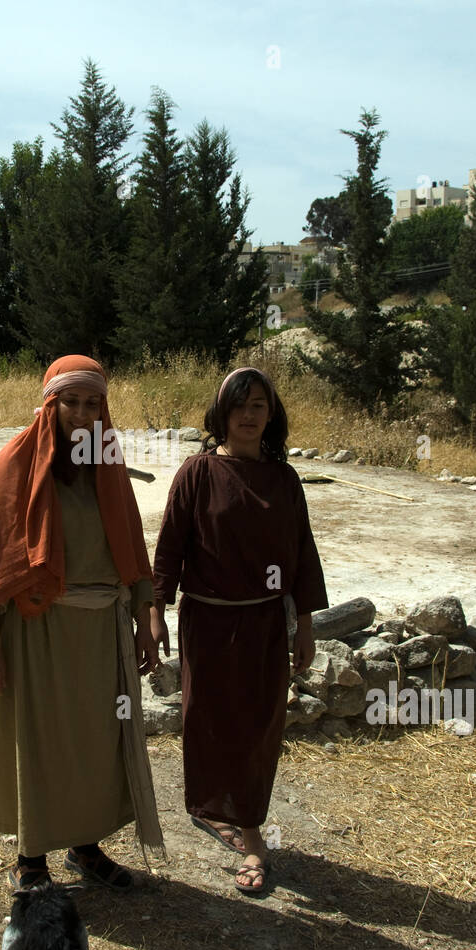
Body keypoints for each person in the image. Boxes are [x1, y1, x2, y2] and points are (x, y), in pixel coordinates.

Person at [0, 353, 164, 891]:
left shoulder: (109, 465)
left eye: (93, 403)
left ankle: (85, 847)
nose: (81, 413)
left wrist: (146, 617)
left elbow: (130, 548)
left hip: (98, 634)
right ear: (50, 403)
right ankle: (30, 860)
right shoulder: (15, 464)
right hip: (36, 632)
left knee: (94, 745)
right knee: (38, 745)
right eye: (70, 401)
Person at [150, 365, 328, 896]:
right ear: (220, 413)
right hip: (206, 621)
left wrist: (305, 625)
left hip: (266, 624)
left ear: (271, 415)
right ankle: (215, 809)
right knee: (207, 721)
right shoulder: (197, 472)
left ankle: (253, 837)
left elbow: (303, 557)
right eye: (239, 405)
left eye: (258, 406)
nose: (248, 416)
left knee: (259, 726)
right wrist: (157, 609)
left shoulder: (284, 479)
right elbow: (170, 550)